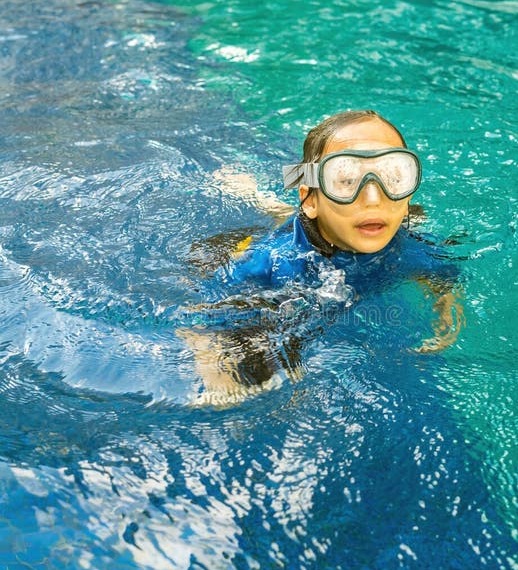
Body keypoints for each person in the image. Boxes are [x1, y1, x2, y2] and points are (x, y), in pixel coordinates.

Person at [180, 109, 463, 405]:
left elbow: (443, 277)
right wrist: (220, 379)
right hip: (291, 230)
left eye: (392, 178)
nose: (373, 198)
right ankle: (256, 197)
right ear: (311, 197)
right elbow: (202, 316)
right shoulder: (275, 260)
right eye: (346, 181)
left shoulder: (408, 246)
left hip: (325, 215)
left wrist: (446, 318)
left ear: (407, 199)